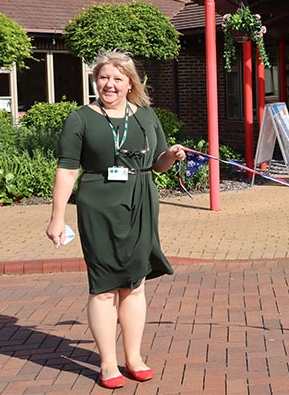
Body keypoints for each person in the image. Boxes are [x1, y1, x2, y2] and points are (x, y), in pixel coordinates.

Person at [45, 51, 187, 389]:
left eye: (117, 78)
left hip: (141, 200)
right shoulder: (80, 118)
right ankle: (108, 363)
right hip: (98, 203)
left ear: (130, 83)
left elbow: (158, 164)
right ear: (96, 80)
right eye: (104, 77)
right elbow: (67, 169)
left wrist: (170, 156)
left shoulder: (147, 117)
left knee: (134, 283)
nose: (109, 84)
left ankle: (133, 357)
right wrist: (57, 218)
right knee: (105, 285)